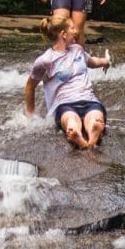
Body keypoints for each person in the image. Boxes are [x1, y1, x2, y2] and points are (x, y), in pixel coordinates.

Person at [25, 13, 112, 149]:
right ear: (64, 34)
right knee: (70, 118)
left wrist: (105, 62)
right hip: (64, 104)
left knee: (95, 116)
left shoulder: (77, 49)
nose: (76, 31)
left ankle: (92, 131)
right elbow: (30, 86)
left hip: (89, 100)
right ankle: (76, 132)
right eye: (72, 28)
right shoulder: (45, 60)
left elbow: (91, 61)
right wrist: (30, 116)